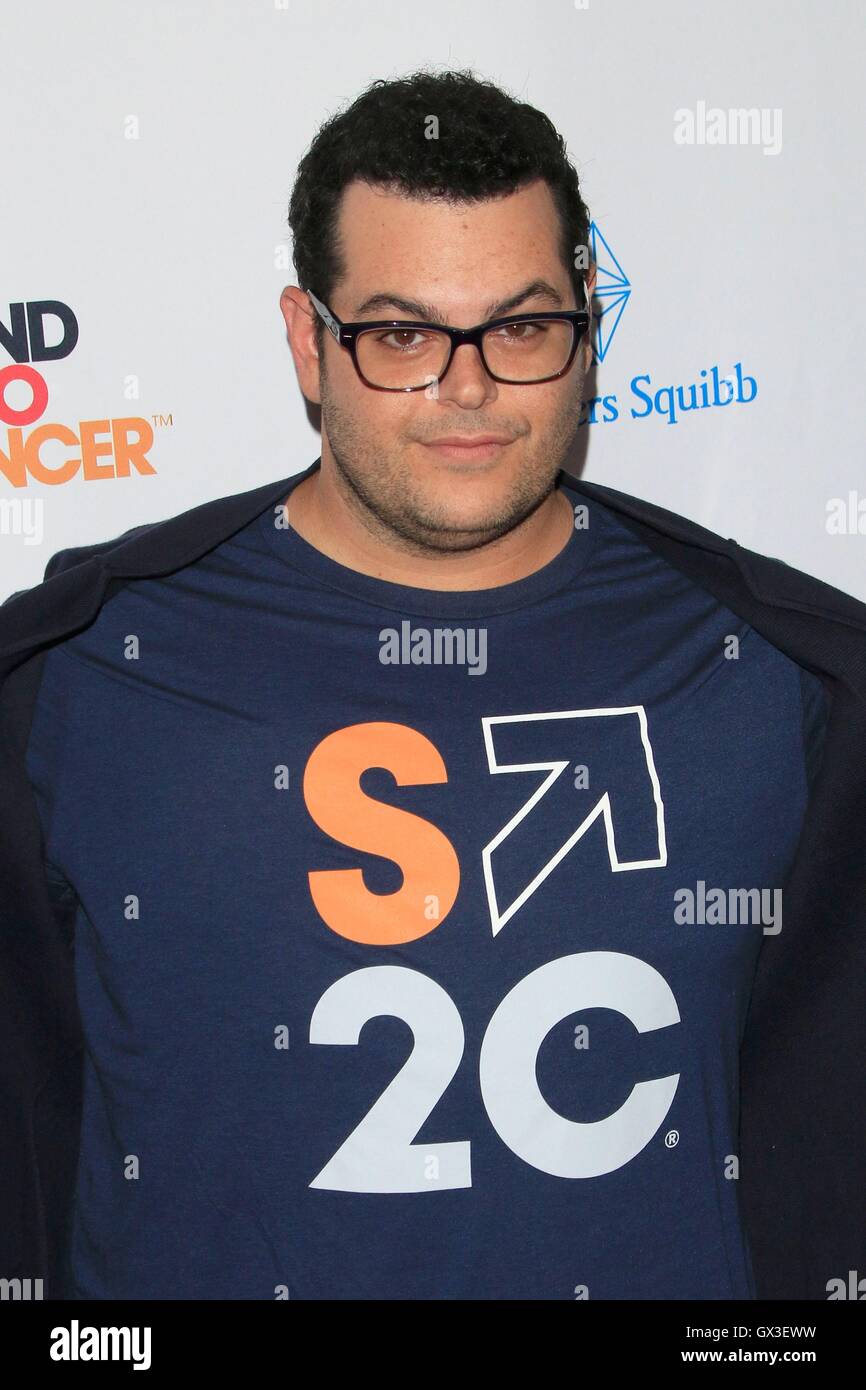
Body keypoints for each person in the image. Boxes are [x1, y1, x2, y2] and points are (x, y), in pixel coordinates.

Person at [3, 68, 864, 1302]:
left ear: (587, 327)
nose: (466, 387)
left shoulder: (783, 673)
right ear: (309, 339)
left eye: (519, 327)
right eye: (401, 333)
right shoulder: (78, 674)